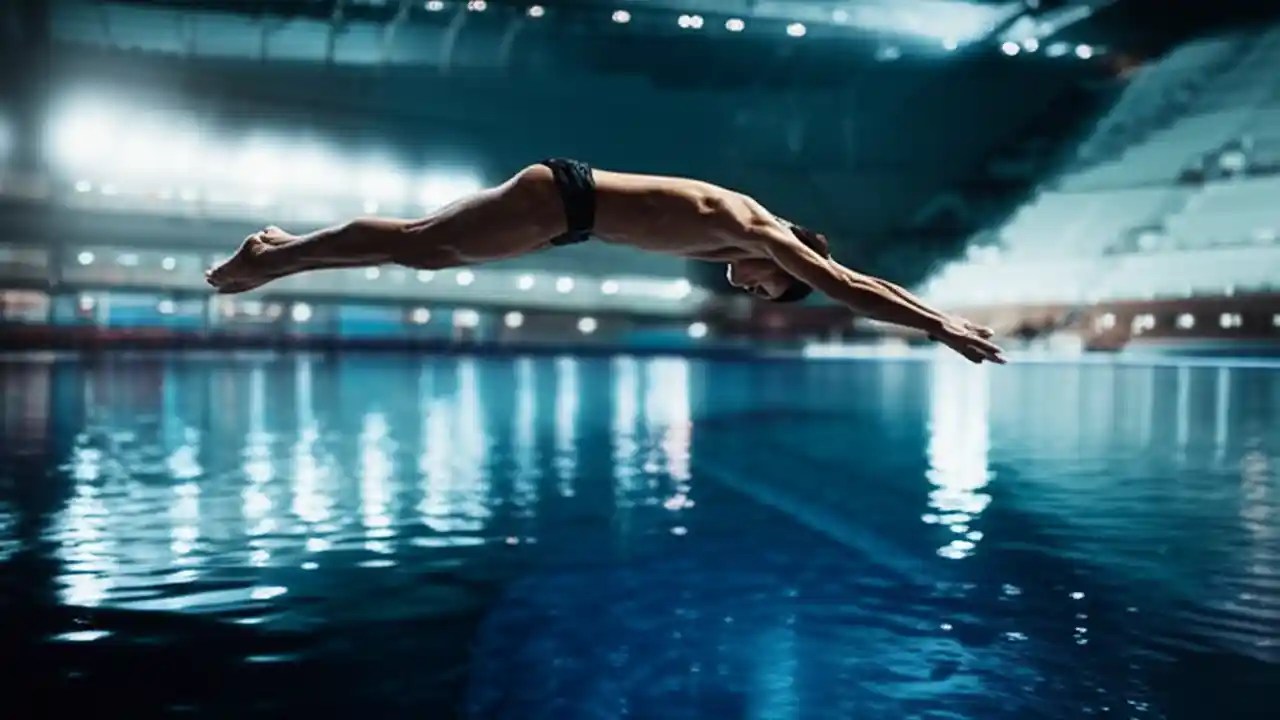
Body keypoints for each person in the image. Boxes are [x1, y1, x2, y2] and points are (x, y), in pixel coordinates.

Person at [206, 158, 1005, 364]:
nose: (755, 288)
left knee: (427, 251)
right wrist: (939, 324)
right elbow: (851, 285)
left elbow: (847, 278)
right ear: (787, 267)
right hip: (565, 199)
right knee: (421, 247)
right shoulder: (764, 232)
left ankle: (278, 255)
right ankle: (273, 257)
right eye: (773, 290)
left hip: (566, 218)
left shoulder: (743, 233)